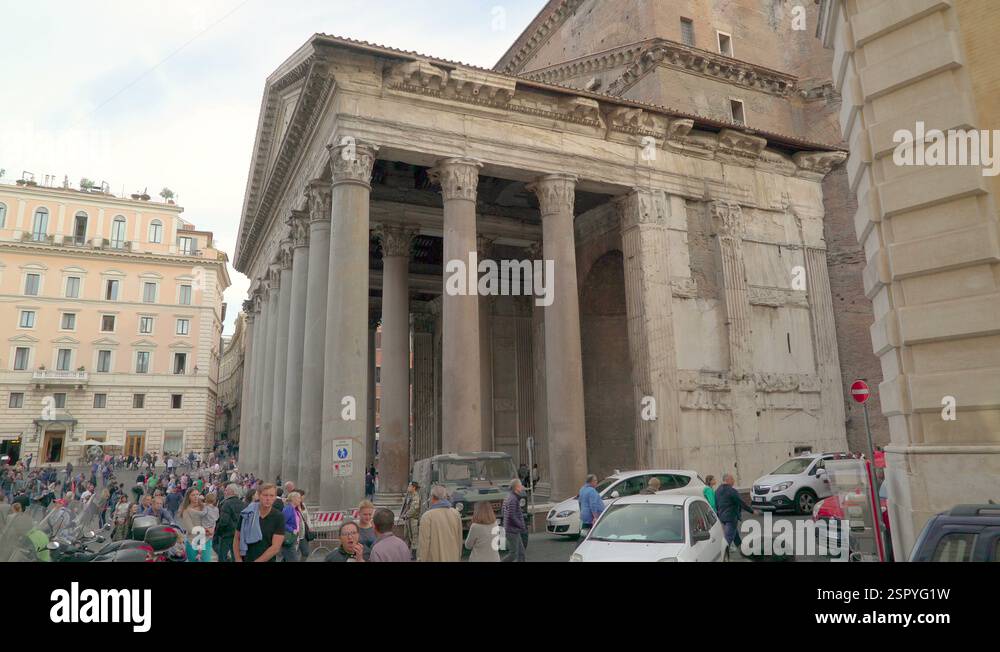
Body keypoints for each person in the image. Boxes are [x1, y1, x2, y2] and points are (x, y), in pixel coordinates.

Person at [234, 483, 285, 562]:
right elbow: (237, 537)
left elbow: (275, 547)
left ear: (275, 497)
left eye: (271, 496)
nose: (268, 498)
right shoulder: (247, 513)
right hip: (245, 558)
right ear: (259, 495)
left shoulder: (278, 517)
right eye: (265, 495)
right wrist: (238, 559)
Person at [417, 484, 462, 562]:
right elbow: (459, 539)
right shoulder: (455, 513)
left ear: (432, 497)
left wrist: (421, 559)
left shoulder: (427, 516)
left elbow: (424, 544)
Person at [715, 473, 758, 550]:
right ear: (728, 480)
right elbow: (741, 503)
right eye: (733, 479)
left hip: (722, 516)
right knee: (728, 537)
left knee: (734, 533)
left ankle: (741, 547)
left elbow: (716, 503)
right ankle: (723, 553)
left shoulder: (718, 490)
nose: (734, 481)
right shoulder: (732, 491)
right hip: (731, 517)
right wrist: (752, 511)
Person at [178, 488, 212, 562]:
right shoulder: (186, 511)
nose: (196, 496)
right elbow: (190, 529)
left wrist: (212, 529)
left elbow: (212, 521)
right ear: (188, 497)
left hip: (205, 540)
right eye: (193, 495)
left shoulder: (204, 507)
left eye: (197, 494)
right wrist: (205, 530)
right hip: (192, 541)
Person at [501, 479, 528, 562]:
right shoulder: (513, 499)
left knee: (521, 553)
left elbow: (503, 512)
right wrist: (521, 525)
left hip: (512, 529)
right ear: (516, 487)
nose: (522, 487)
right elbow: (512, 516)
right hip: (512, 530)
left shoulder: (509, 497)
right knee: (514, 554)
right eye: (520, 486)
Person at [280, 491, 304, 562]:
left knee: (287, 558)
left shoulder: (294, 509)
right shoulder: (288, 509)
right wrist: (292, 530)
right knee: (293, 559)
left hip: (293, 537)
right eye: (299, 498)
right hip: (288, 537)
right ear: (294, 499)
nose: (300, 500)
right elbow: (282, 523)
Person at [399, 481, 421, 557]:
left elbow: (414, 509)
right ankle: (406, 552)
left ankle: (414, 554)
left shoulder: (416, 496)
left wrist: (406, 515)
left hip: (413, 519)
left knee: (414, 536)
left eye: (410, 486)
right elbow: (405, 506)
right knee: (406, 535)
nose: (408, 488)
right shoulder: (409, 495)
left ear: (414, 487)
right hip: (408, 519)